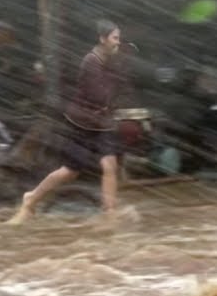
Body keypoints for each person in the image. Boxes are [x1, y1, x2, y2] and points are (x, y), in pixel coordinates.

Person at [7, 19, 132, 224]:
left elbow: (117, 92)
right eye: (115, 38)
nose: (119, 42)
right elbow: (101, 96)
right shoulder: (90, 62)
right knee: (70, 171)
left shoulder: (109, 61)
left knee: (109, 164)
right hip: (82, 123)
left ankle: (109, 213)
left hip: (102, 123)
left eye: (119, 38)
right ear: (102, 39)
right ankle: (31, 198)